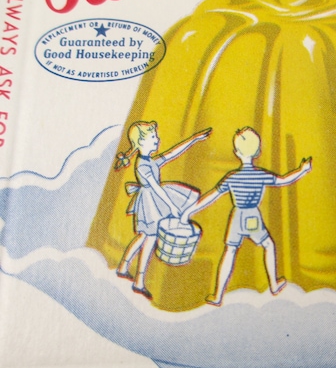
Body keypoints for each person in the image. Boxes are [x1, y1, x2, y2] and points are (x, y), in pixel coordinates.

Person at [181, 126, 312, 306]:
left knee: (230, 252)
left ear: (236, 152)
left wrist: (190, 210)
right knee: (268, 245)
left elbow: (212, 196)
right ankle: (274, 284)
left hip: (237, 216)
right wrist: (303, 170)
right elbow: (283, 180)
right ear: (258, 152)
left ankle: (218, 295)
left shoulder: (232, 177)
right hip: (252, 216)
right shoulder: (260, 175)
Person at [115, 121, 211, 300]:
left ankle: (123, 268)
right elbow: (156, 188)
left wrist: (194, 139)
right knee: (148, 238)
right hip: (150, 204)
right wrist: (172, 206)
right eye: (153, 137)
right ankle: (138, 281)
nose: (157, 140)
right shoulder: (143, 166)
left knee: (144, 237)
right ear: (141, 142)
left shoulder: (149, 161)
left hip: (154, 202)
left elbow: (171, 154)